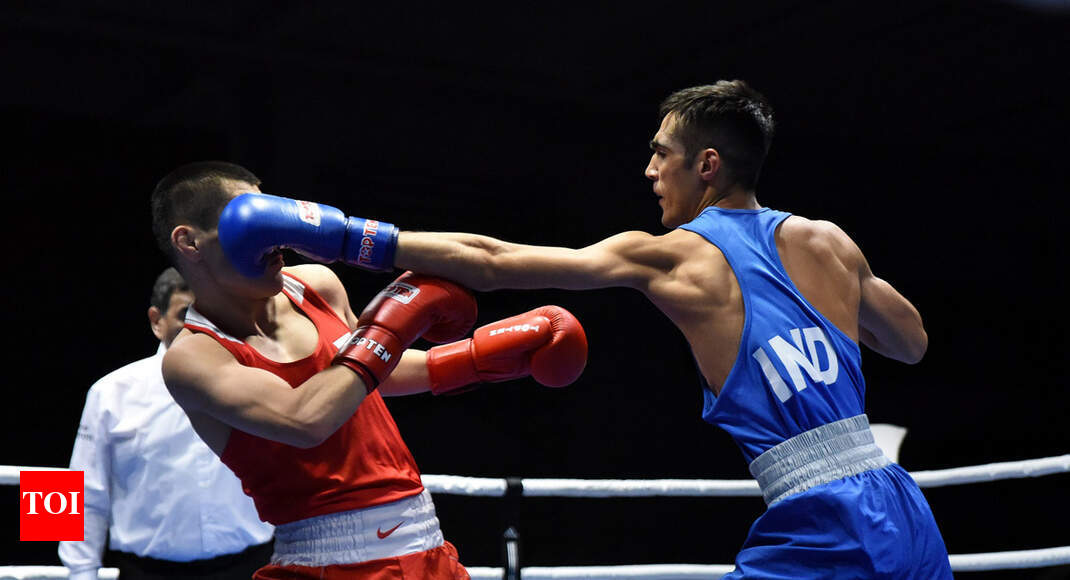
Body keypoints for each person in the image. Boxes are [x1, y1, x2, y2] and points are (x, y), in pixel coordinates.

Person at [218, 80, 953, 577]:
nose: (648, 169)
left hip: (824, 522)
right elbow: (911, 343)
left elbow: (493, 260)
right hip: (902, 502)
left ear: (707, 164)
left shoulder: (673, 258)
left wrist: (348, 238)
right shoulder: (829, 239)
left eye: (661, 152)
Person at [149, 161, 587, 579]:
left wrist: (472, 360)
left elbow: (363, 376)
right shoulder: (194, 357)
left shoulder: (314, 286)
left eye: (276, 219)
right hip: (318, 562)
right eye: (254, 223)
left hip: (426, 543)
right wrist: (394, 325)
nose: (276, 240)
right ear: (190, 243)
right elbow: (304, 417)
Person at [59, 267, 275, 580]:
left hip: (252, 565)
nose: (200, 327)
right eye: (186, 314)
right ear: (156, 321)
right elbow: (70, 491)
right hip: (145, 571)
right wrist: (79, 573)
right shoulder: (108, 392)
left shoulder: (261, 380)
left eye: (211, 315)